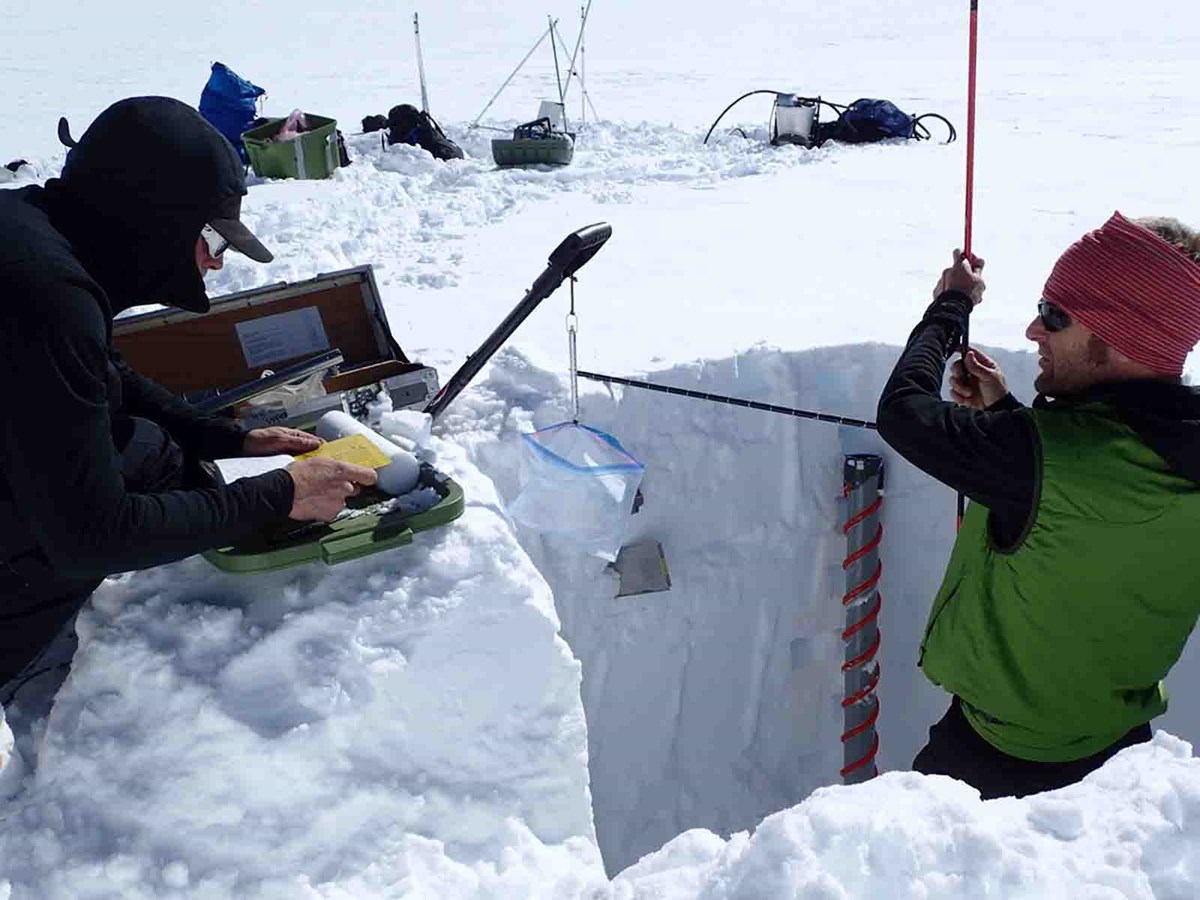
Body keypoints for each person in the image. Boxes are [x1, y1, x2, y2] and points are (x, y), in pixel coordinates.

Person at [0, 97, 377, 757]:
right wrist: (279, 495)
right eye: (211, 240)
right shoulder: (44, 297)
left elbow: (101, 370)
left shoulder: (31, 233)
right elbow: (91, 538)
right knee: (126, 476)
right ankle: (31, 688)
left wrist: (226, 438)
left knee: (147, 450)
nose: (216, 264)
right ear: (151, 220)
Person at [877, 212, 1200, 799]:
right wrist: (1006, 420)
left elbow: (902, 412)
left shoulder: (1033, 460)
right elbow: (1084, 522)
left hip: (990, 764)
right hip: (1120, 764)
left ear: (1120, 335)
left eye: (1055, 315)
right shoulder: (1179, 449)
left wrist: (951, 306)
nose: (1032, 330)